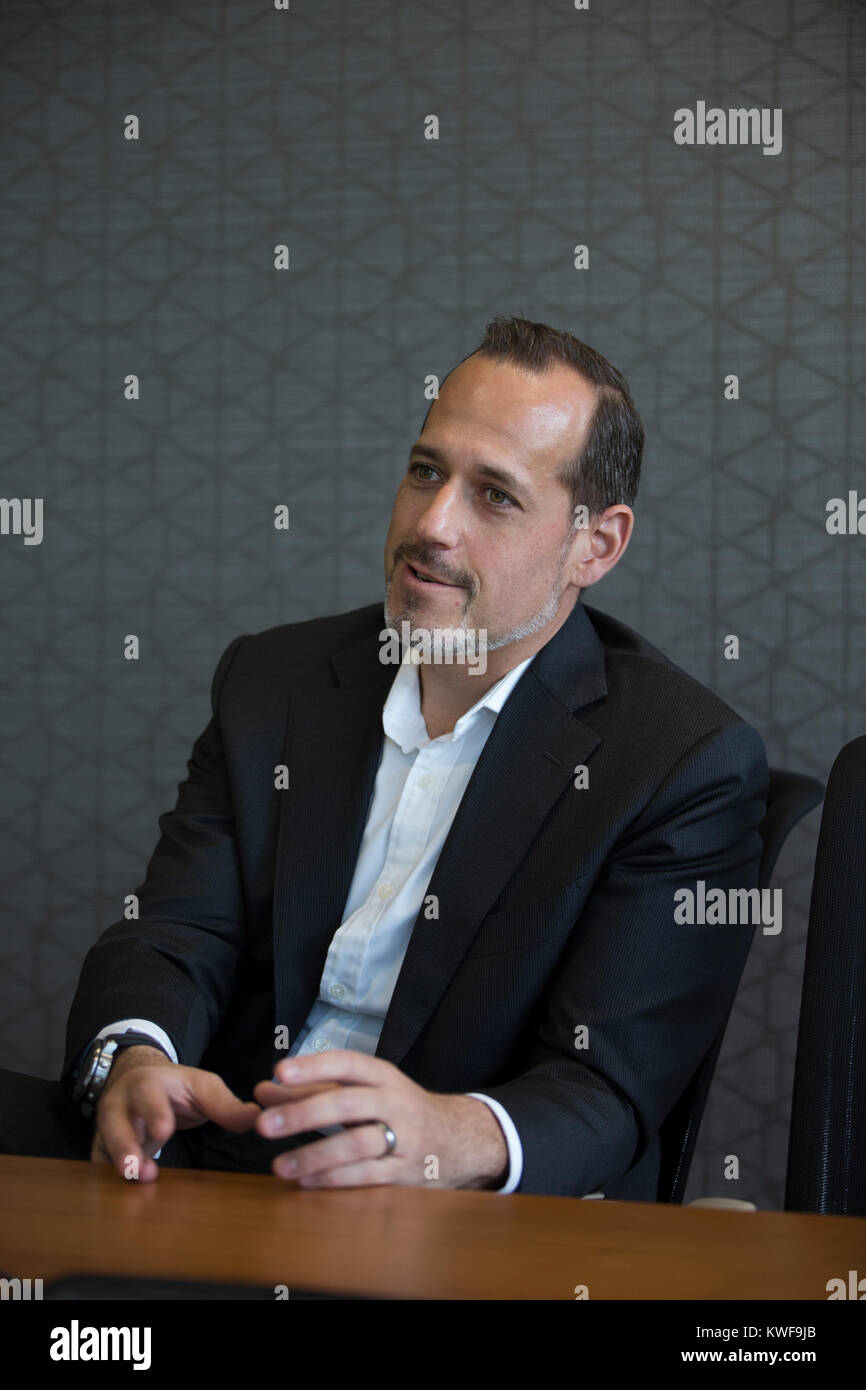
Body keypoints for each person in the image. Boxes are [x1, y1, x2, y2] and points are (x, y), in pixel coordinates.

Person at [0, 315, 769, 1199]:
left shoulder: (678, 762)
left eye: (496, 496)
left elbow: (608, 1089)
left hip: (446, 1213)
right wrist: (135, 1060)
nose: (433, 525)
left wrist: (450, 1134)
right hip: (213, 1154)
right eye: (426, 471)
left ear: (594, 544)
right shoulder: (275, 682)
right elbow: (176, 932)